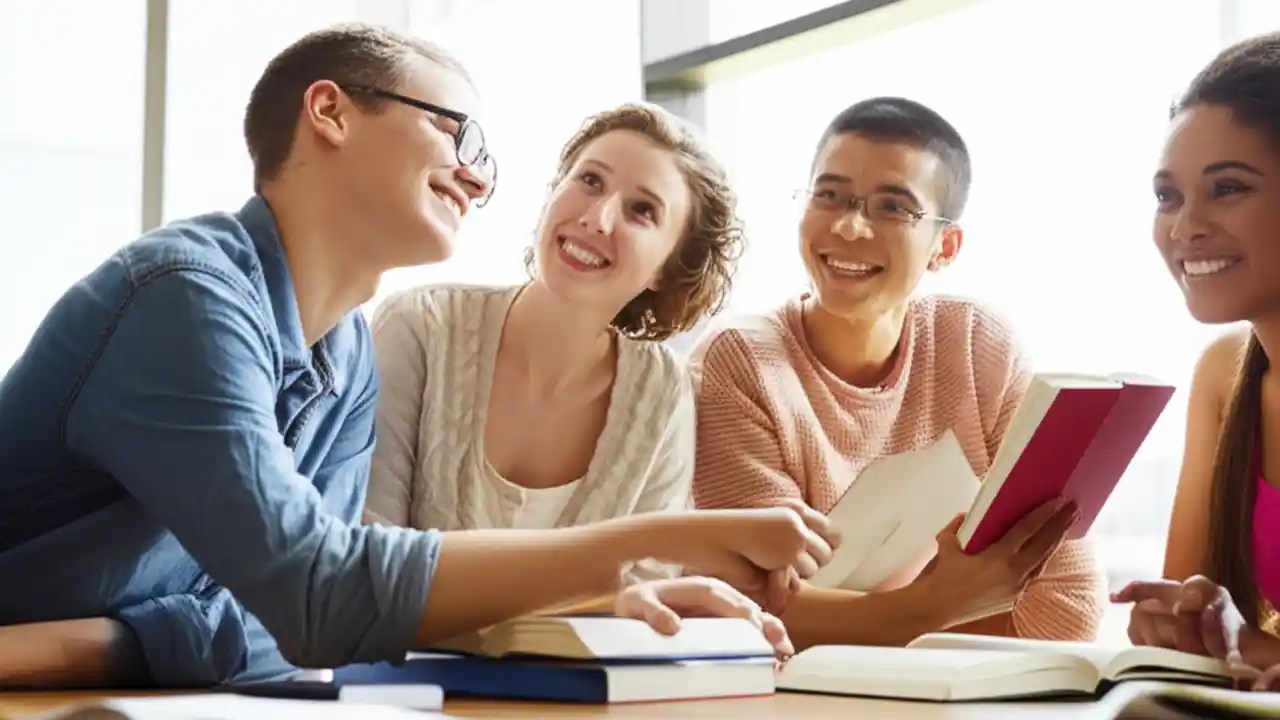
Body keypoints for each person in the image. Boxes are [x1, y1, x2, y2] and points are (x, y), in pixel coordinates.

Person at [0, 23, 837, 688]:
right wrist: (659, 541)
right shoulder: (186, 297)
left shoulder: (346, 358)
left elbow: (297, 625)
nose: (477, 182)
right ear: (329, 112)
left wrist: (90, 645)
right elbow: (321, 599)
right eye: (457, 134)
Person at [690, 96, 1104, 651]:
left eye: (891, 208)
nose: (849, 225)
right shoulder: (740, 363)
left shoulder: (978, 347)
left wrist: (867, 618)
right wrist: (941, 601)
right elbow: (754, 617)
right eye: (829, 195)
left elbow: (1068, 606)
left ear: (945, 246)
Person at [364, 102, 739, 584]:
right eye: (590, 181)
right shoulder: (421, 326)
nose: (598, 218)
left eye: (641, 211)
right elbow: (369, 559)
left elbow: (646, 587)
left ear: (667, 269)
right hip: (399, 661)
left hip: (579, 663)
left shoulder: (661, 389)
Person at [1110, 30, 1280, 687]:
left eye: (1228, 188)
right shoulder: (1225, 374)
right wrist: (1194, 626)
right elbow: (1196, 619)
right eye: (1167, 196)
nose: (1184, 228)